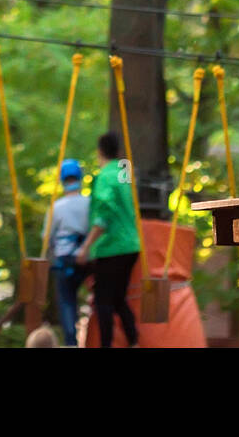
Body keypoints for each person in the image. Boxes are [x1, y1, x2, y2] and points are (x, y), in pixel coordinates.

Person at [75, 133, 140, 348]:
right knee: (119, 298)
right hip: (131, 245)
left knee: (103, 300)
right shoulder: (123, 176)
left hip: (112, 247)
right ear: (118, 152)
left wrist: (86, 247)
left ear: (99, 151)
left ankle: (106, 345)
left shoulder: (104, 177)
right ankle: (133, 341)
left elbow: (103, 216)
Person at [47, 158, 90, 346]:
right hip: (87, 257)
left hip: (64, 260)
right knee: (98, 296)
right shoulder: (90, 203)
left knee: (67, 302)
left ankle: (71, 341)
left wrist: (51, 258)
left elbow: (48, 237)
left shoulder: (57, 207)